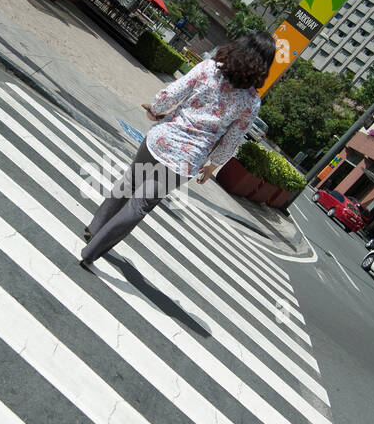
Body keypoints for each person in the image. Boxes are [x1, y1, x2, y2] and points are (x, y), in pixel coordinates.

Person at [79, 31, 275, 271]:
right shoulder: (251, 102)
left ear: (239, 47)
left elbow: (173, 92)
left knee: (129, 183)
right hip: (186, 161)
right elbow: (232, 140)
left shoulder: (208, 69)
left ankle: (94, 228)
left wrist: (155, 108)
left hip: (162, 139)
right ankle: (92, 252)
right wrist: (213, 164)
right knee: (139, 205)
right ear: (263, 66)